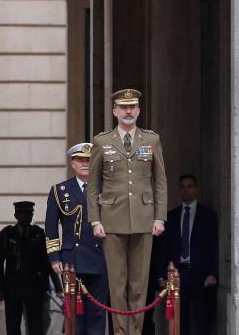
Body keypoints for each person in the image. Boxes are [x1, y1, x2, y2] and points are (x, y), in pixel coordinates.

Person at [87, 89, 167, 335]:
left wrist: (159, 217)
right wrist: (94, 221)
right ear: (114, 112)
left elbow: (160, 181)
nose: (128, 111)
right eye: (123, 107)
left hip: (143, 218)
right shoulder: (102, 142)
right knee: (117, 283)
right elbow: (92, 185)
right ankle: (120, 332)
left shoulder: (151, 140)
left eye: (132, 107)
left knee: (139, 285)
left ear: (139, 110)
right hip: (112, 220)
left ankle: (135, 331)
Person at [46, 142, 109, 335]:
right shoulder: (60, 190)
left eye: (89, 160)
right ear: (72, 163)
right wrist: (54, 257)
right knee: (74, 315)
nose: (85, 164)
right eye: (80, 160)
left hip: (101, 259)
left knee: (98, 314)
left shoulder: (106, 189)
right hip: (72, 261)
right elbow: (50, 227)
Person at [160, 175, 218, 335]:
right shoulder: (171, 217)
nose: (186, 190)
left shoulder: (208, 216)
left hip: (200, 274)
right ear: (179, 189)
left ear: (196, 189)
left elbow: (214, 247)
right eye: (183, 186)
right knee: (180, 318)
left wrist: (212, 273)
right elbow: (165, 249)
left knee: (202, 318)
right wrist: (162, 276)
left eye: (190, 186)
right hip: (178, 274)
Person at [0, 201, 56, 335]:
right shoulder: (6, 234)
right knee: (12, 325)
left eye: (30, 214)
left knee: (36, 325)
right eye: (23, 214)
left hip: (34, 287)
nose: (27, 217)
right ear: (16, 215)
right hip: (12, 287)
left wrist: (49, 287)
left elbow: (46, 262)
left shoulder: (38, 234)